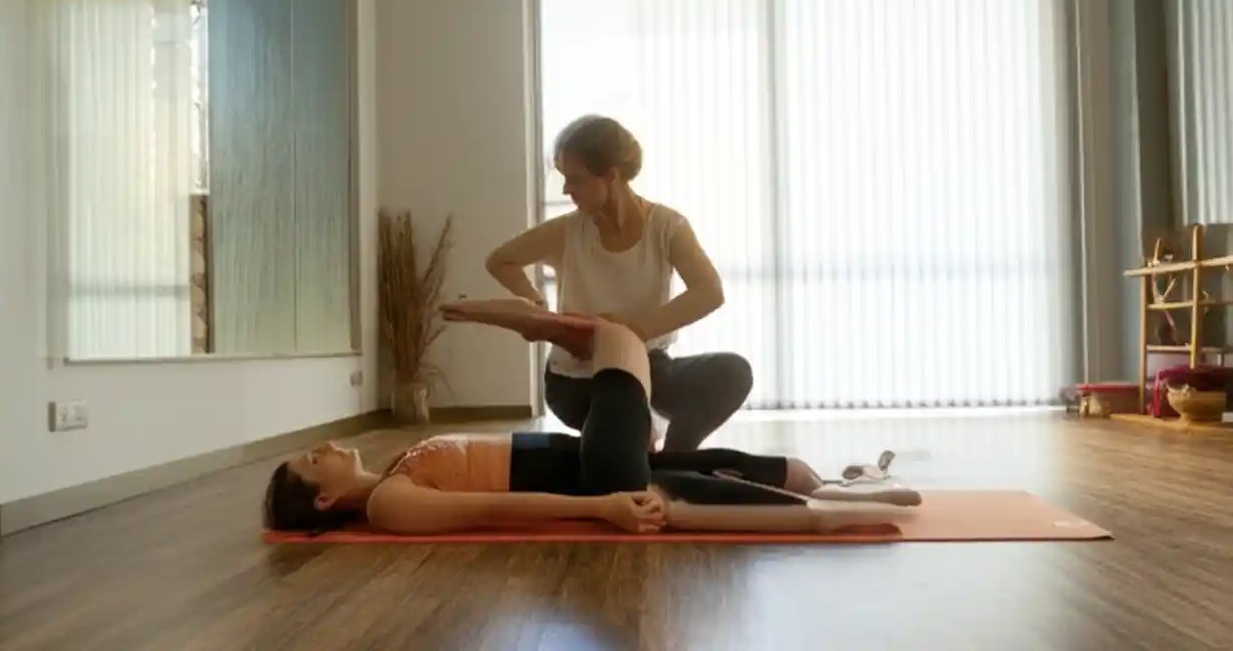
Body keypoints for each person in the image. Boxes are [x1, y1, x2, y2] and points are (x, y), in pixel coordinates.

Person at [263, 306, 918, 536]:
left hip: (591, 462)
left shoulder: (400, 469)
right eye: (312, 459)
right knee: (617, 340)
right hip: (594, 477)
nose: (322, 446)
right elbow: (495, 515)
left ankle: (829, 491)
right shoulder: (387, 506)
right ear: (323, 497)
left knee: (734, 468)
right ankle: (549, 327)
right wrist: (603, 507)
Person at [484, 114, 751, 451]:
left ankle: (676, 458)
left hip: (647, 367)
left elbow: (709, 292)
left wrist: (630, 331)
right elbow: (499, 260)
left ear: (611, 176)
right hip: (578, 380)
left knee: (733, 372)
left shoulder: (667, 227)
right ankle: (642, 450)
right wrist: (538, 307)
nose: (567, 189)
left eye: (576, 179)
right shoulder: (566, 232)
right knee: (627, 422)